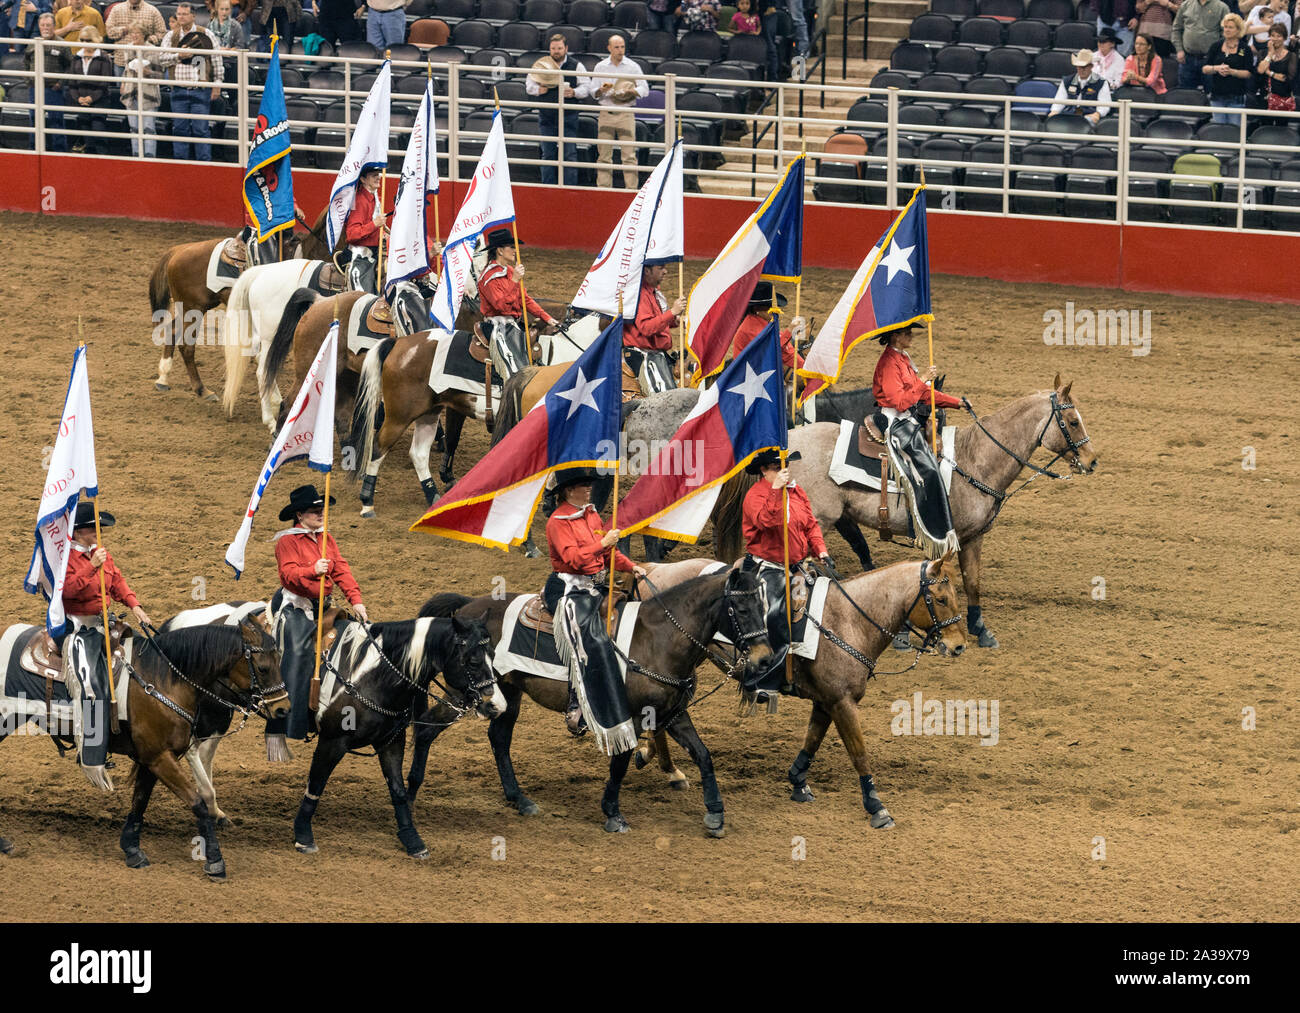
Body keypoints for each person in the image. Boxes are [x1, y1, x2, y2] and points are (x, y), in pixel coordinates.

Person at [544, 467, 645, 748]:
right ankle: (577, 701)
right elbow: (573, 558)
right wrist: (602, 543)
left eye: (589, 484)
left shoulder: (591, 513)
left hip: (595, 583)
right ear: (567, 490)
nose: (589, 488)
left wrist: (631, 565)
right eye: (582, 485)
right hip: (568, 588)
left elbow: (610, 554)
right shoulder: (557, 521)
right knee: (588, 636)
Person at [269, 484, 368, 761]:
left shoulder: (327, 538)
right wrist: (313, 570)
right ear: (300, 515)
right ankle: (287, 722)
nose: (320, 515)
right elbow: (288, 576)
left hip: (324, 607)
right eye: (315, 511)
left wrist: (355, 599)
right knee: (300, 651)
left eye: (321, 510)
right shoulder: (286, 541)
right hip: (295, 606)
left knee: (351, 639)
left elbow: (341, 570)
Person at [59, 502, 153, 791]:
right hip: (78, 628)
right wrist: (92, 566)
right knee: (93, 688)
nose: (100, 534)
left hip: (106, 624)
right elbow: (68, 589)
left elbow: (118, 583)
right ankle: (90, 754)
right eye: (95, 529)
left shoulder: (101, 555)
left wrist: (134, 605)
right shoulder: (65, 557)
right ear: (80, 531)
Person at [739, 448, 830, 701]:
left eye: (785, 466)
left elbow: (810, 524)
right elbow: (766, 523)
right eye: (777, 467)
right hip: (768, 567)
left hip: (799, 564)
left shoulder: (796, 491)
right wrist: (776, 490)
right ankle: (763, 681)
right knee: (776, 615)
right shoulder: (754, 496)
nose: (784, 470)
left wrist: (820, 549)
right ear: (764, 470)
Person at [871, 322, 966, 560]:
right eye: (906, 332)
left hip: (908, 419)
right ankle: (925, 531)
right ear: (895, 336)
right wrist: (922, 378)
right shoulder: (888, 363)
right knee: (929, 471)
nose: (911, 335)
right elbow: (900, 402)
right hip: (895, 422)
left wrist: (956, 402)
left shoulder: (903, 358)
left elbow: (923, 394)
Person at [160, 3, 223, 161]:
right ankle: (181, 163)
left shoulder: (206, 33)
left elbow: (216, 60)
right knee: (179, 128)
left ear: (193, 16)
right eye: (179, 14)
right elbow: (161, 59)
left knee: (201, 129)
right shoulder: (171, 36)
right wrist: (178, 56)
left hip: (200, 88)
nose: (181, 17)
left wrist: (217, 84)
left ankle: (203, 163)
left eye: (184, 14)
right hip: (179, 89)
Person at [526, 33, 589, 187]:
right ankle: (548, 188)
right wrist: (538, 90)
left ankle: (569, 188)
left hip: (569, 116)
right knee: (547, 154)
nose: (556, 51)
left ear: (566, 48)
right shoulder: (541, 64)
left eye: (559, 48)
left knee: (569, 155)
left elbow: (587, 87)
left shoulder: (577, 65)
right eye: (553, 48)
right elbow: (529, 86)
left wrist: (574, 92)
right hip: (547, 116)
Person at [588, 34, 648, 191]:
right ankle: (603, 189)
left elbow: (645, 89)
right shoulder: (600, 66)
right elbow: (592, 91)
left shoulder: (633, 66)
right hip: (606, 112)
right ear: (609, 48)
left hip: (625, 112)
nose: (620, 50)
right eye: (617, 47)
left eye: (622, 47)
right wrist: (601, 90)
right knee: (604, 155)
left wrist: (632, 90)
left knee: (629, 155)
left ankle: (631, 191)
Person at [476, 228, 559, 332]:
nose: (515, 250)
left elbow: (524, 299)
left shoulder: (510, 270)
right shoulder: (488, 277)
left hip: (513, 325)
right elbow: (501, 307)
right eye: (511, 247)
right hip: (496, 328)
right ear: (500, 250)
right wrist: (514, 280)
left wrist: (547, 317)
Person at [622, 262, 686, 393]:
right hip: (643, 353)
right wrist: (672, 312)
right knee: (665, 397)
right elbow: (646, 328)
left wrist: (675, 320)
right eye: (660, 267)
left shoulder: (653, 292)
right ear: (647, 271)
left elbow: (657, 319)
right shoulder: (640, 294)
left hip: (657, 353)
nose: (665, 271)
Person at [730, 281, 805, 373]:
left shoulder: (764, 323)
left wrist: (806, 368)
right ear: (757, 309)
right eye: (770, 308)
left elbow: (785, 352)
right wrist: (789, 331)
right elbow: (771, 352)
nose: (775, 311)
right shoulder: (749, 330)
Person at [25, 12, 69, 151]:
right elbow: (25, 63)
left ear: (54, 26)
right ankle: (34, 149)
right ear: (39, 26)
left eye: (48, 25)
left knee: (56, 120)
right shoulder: (32, 43)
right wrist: (28, 81)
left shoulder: (62, 44)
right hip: (34, 88)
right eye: (42, 25)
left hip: (53, 89)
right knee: (34, 120)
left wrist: (60, 84)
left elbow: (69, 66)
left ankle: (59, 151)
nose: (45, 28)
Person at [68, 27, 115, 153]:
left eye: (88, 40)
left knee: (98, 130)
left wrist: (91, 98)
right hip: (81, 100)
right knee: (86, 134)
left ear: (95, 40)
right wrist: (78, 98)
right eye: (82, 40)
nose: (84, 44)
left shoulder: (103, 57)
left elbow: (104, 82)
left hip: (100, 100)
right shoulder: (76, 57)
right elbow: (71, 81)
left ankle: (102, 160)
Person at [1203, 12, 1255, 120]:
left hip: (1236, 96)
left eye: (1230, 27)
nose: (1226, 30)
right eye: (1225, 27)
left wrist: (1232, 71)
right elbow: (1205, 68)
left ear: (1238, 30)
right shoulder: (1216, 46)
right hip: (1217, 96)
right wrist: (1216, 68)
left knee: (1234, 130)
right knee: (1219, 130)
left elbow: (1248, 73)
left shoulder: (1245, 49)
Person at [121, 23, 162, 157]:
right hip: (130, 93)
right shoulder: (127, 48)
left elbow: (160, 74)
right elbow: (126, 70)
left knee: (149, 129)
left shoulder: (153, 50)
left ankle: (150, 158)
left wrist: (148, 72)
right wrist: (123, 84)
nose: (134, 36)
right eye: (132, 33)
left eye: (137, 33)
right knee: (134, 129)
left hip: (148, 93)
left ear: (144, 35)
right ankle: (136, 156)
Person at [343, 165, 385, 292]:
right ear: (363, 179)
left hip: (375, 252)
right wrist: (375, 224)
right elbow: (351, 234)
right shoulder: (360, 200)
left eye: (378, 175)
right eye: (373, 175)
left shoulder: (375, 198)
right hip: (360, 256)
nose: (378, 178)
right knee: (365, 298)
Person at [1173, 0, 1230, 89]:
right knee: (1186, 94)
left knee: (1211, 92)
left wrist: (1219, 55)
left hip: (1211, 60)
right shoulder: (1185, 5)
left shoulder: (1222, 7)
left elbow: (1227, 34)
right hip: (1187, 58)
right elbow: (1176, 29)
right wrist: (1179, 49)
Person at [1049, 48, 1113, 124]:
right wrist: (1054, 111)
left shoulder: (1101, 82)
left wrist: (1097, 114)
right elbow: (1059, 100)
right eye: (1078, 67)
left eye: (1084, 67)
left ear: (1091, 66)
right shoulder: (1067, 81)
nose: (1081, 70)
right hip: (1069, 115)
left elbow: (1104, 104)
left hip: (1089, 116)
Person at [104, 0, 166, 77]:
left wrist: (148, 38)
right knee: (123, 87)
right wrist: (126, 29)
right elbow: (109, 32)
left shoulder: (152, 11)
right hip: (122, 60)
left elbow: (162, 33)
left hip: (146, 63)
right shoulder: (116, 9)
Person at [1257, 21, 1297, 110]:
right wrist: (1270, 54)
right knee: (1265, 123)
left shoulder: (1291, 56)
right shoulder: (1263, 53)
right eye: (1272, 35)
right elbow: (1260, 70)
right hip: (1265, 99)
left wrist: (1270, 73)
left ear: (1284, 38)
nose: (1275, 39)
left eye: (1279, 36)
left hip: (1284, 99)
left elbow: (1287, 78)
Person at [1134, 0, 1184, 67]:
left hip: (1163, 34)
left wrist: (1167, 4)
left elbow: (1182, 10)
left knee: (1160, 66)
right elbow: (1138, 9)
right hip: (1144, 32)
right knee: (1142, 64)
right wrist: (1148, 2)